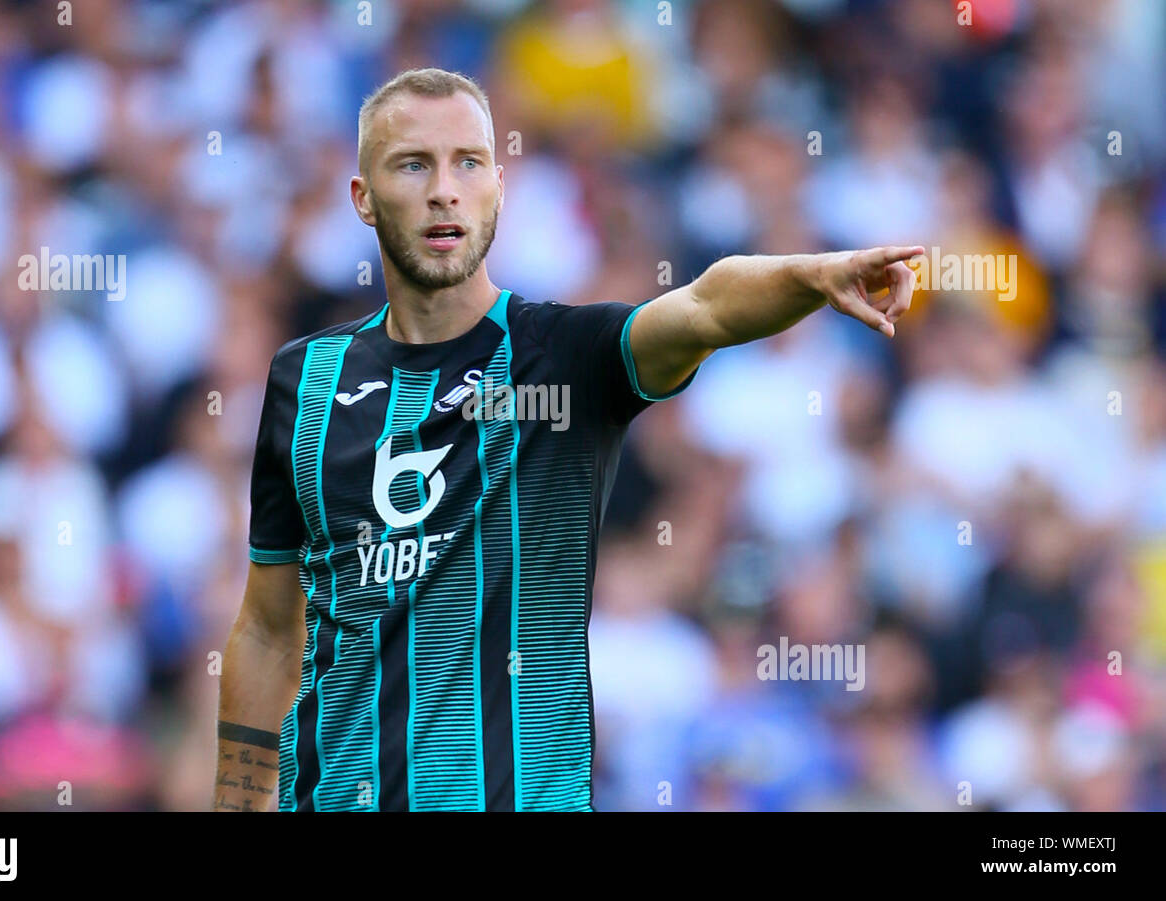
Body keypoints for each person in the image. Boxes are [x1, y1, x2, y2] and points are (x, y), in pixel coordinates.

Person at [213, 67, 922, 812]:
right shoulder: (305, 381)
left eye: (469, 162)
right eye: (413, 163)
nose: (444, 188)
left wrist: (812, 275)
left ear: (498, 189)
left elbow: (709, 307)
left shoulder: (567, 357)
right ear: (362, 197)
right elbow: (266, 626)